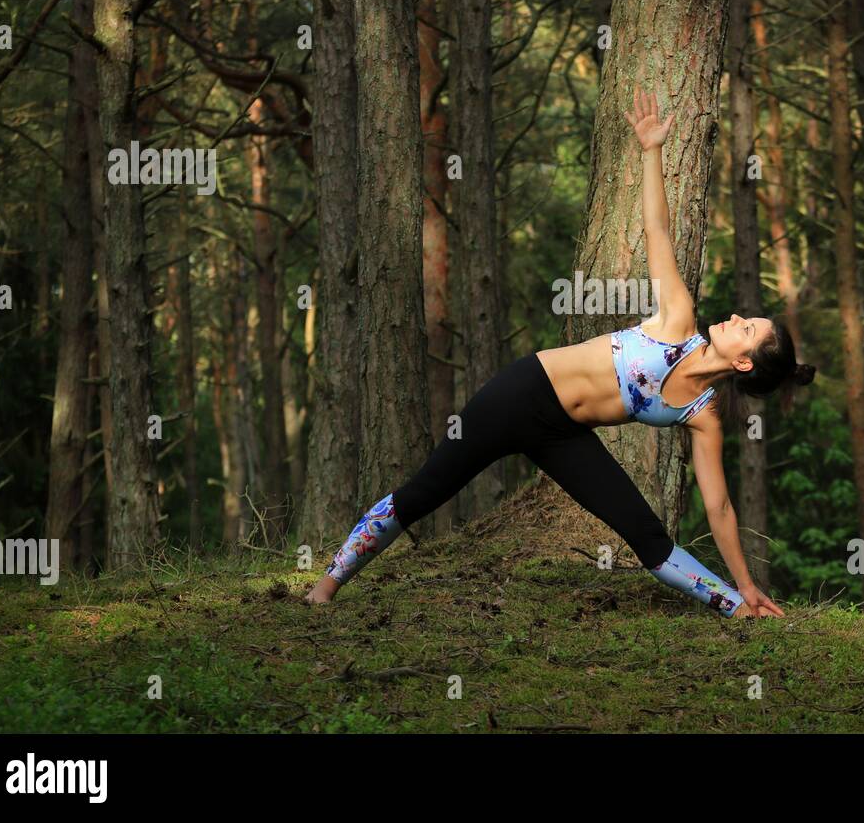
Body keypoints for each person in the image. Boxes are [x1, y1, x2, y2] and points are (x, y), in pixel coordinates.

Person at [305, 89, 814, 617]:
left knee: (647, 537)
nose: (735, 317)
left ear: (744, 363)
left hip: (564, 436)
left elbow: (720, 507)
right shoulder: (678, 319)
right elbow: (656, 229)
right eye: (745, 317)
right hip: (521, 395)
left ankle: (735, 607)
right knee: (423, 494)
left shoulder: (702, 414)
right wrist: (651, 151)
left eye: (746, 327)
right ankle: (326, 587)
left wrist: (746, 584)